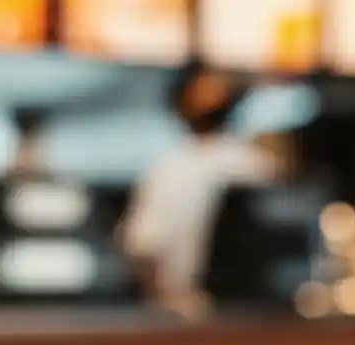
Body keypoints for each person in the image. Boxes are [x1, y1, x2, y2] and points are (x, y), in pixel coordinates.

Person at [120, 63, 281, 319]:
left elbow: (144, 249)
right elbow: (145, 248)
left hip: (244, 310)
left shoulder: (258, 166)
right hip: (224, 310)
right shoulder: (173, 169)